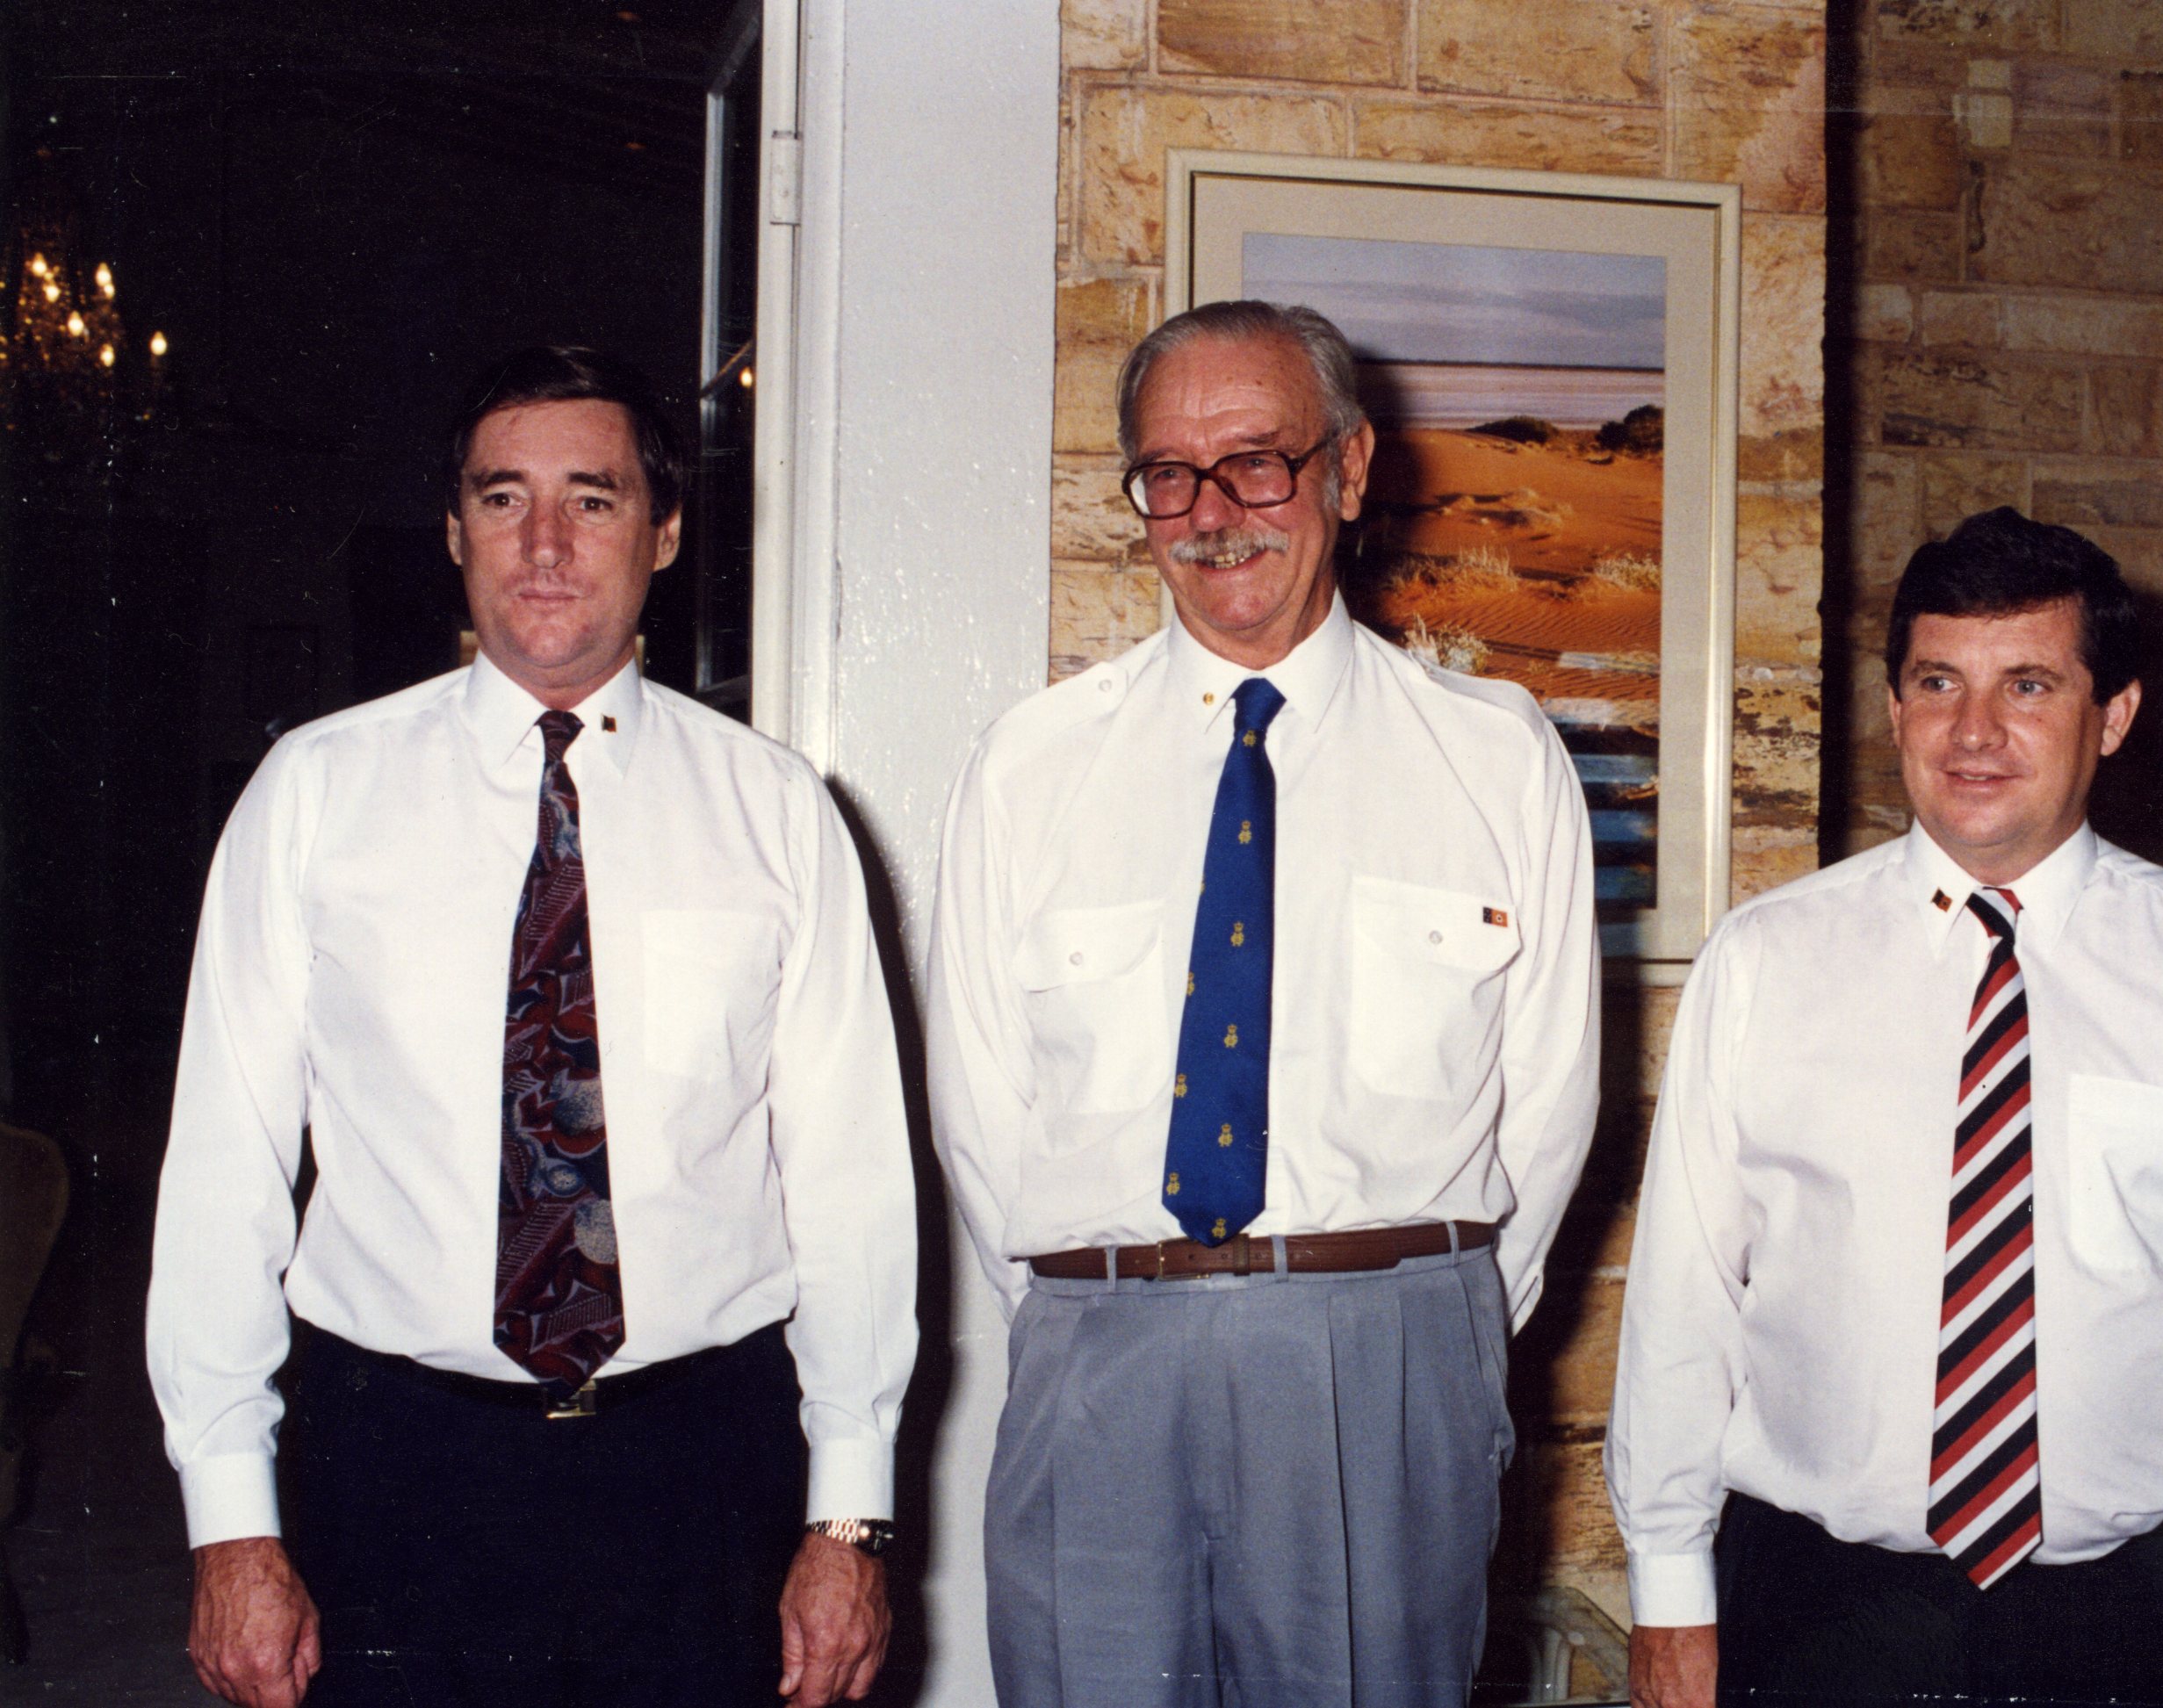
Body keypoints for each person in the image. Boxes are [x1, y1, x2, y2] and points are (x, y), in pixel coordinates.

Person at [147, 346, 917, 1708]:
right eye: (504, 499)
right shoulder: (314, 793)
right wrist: (231, 1519)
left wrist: (847, 1516)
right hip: (396, 1466)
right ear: (454, 531)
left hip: (701, 1468)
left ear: (665, 532)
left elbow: (854, 1183)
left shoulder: (778, 811)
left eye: (596, 498)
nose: (546, 544)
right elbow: (222, 1170)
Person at [925, 299, 1601, 1707]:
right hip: (1099, 1362)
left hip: (1384, 1364)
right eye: (1166, 473)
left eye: (1255, 463)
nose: (1210, 511)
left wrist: (1424, 1331)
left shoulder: (1492, 757)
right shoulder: (1030, 765)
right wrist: (1108, 1313)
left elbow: (1546, 1104)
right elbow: (979, 1109)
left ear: (1350, 474)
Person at [1607, 506, 2163, 1708]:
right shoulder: (1763, 961)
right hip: (1818, 1613)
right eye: (1936, 681)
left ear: (2112, 714)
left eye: (2026, 683)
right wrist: (1668, 1592)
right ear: (1892, 709)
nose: (1972, 730)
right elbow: (1680, 1300)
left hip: (2142, 1617)